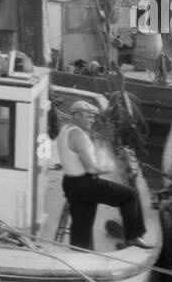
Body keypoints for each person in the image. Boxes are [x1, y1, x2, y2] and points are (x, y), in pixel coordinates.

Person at [58, 100, 150, 251]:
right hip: (85, 183)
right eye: (89, 117)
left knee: (82, 225)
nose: (93, 120)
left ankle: (80, 256)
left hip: (70, 182)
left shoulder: (65, 130)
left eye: (93, 117)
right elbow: (91, 169)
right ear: (78, 116)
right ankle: (133, 237)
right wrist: (109, 168)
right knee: (129, 196)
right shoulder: (79, 136)